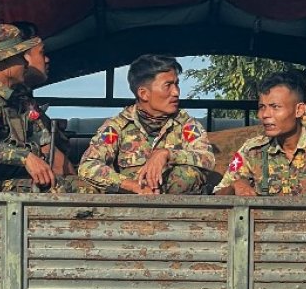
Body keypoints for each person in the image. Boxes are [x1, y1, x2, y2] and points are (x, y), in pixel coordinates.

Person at [0, 23, 74, 191]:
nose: (26, 64)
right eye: (20, 57)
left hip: (3, 182)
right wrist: (25, 157)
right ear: (6, 61)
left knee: (81, 187)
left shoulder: (10, 99)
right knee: (69, 189)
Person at [78, 55, 215, 194]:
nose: (176, 92)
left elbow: (208, 159)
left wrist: (167, 154)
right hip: (127, 206)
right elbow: (88, 166)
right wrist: (131, 185)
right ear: (144, 94)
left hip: (177, 205)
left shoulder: (186, 124)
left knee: (185, 175)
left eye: (177, 84)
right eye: (168, 85)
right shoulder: (118, 126)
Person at [214, 72, 306, 197]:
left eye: (275, 107)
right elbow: (215, 197)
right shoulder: (253, 150)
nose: (265, 115)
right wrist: (235, 186)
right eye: (262, 107)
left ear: (299, 110)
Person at [10, 21, 76, 176]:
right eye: (41, 53)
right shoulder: (13, 101)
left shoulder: (22, 100)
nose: (47, 60)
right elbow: (57, 164)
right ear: (24, 58)